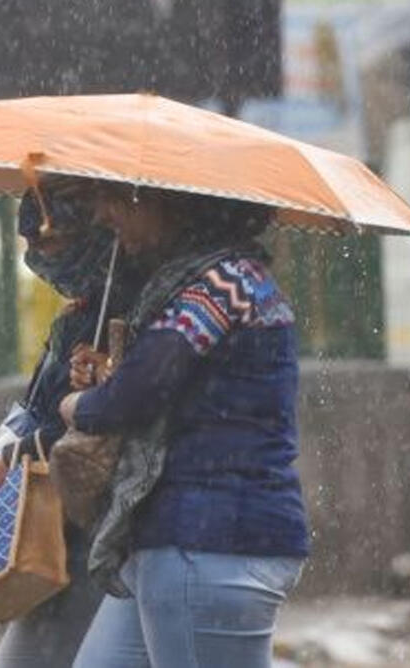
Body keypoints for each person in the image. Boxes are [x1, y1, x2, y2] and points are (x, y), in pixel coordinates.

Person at [56, 186, 308, 668]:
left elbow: (133, 396)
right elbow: (151, 385)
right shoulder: (204, 284)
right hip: (177, 541)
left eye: (121, 199)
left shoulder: (220, 287)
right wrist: (108, 381)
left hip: (211, 539)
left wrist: (77, 404)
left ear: (173, 204)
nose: (104, 214)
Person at [0, 182, 139, 668]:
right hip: (64, 532)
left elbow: (80, 436)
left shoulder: (124, 314)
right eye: (30, 245)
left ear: (93, 234)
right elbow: (38, 416)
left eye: (50, 242)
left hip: (90, 535)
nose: (37, 258)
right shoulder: (79, 316)